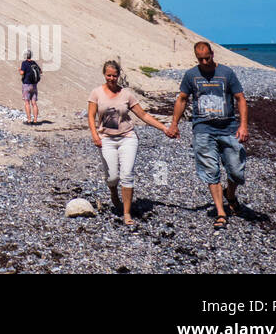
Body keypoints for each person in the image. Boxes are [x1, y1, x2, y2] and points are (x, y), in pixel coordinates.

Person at [166, 41, 249, 230]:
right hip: (203, 129)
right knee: (211, 171)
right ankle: (221, 212)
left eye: (207, 57)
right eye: (200, 59)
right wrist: (174, 124)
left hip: (228, 127)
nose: (204, 61)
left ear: (212, 53)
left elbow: (240, 98)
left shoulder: (227, 73)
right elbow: (182, 99)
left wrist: (243, 126)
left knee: (236, 170)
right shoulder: (191, 75)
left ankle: (230, 195)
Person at [88, 59, 170, 228]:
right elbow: (90, 116)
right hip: (106, 139)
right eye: (108, 75)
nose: (111, 78)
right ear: (104, 74)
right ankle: (113, 192)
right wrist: (95, 135)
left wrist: (164, 128)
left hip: (127, 137)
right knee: (112, 177)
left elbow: (144, 115)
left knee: (127, 174)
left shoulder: (126, 94)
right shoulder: (96, 93)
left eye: (114, 75)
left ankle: (126, 212)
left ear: (119, 75)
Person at [19, 49, 41, 124]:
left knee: (27, 102)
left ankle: (29, 120)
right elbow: (40, 71)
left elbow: (22, 72)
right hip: (34, 85)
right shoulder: (34, 63)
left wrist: (19, 71)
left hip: (26, 85)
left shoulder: (24, 63)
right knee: (34, 103)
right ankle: (35, 120)